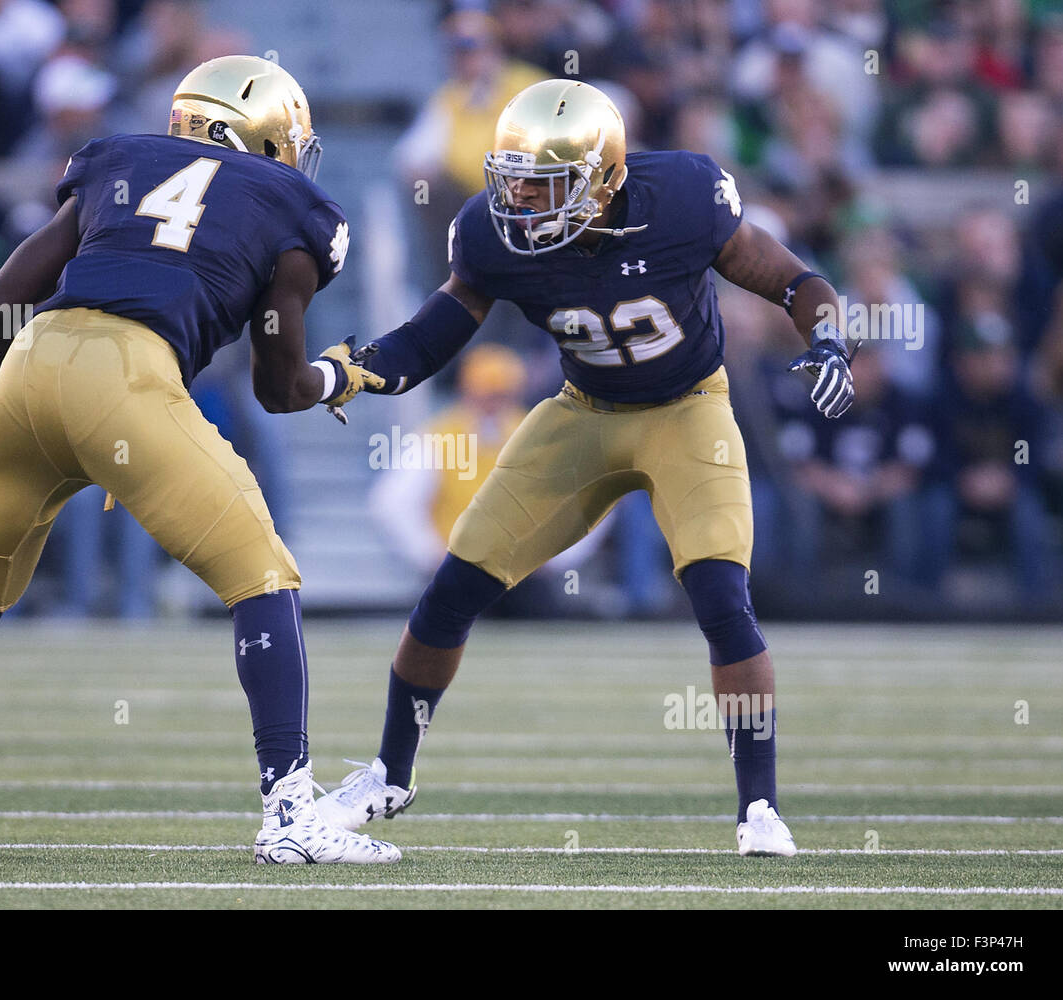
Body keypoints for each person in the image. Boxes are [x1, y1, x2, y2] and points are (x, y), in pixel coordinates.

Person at [0, 55, 398, 865]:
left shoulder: (120, 160)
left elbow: (2, 296)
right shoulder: (294, 207)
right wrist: (339, 373)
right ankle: (290, 813)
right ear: (257, 137)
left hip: (35, 365)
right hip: (130, 379)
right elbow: (279, 388)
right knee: (264, 575)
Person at [316, 79, 857, 856]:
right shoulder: (492, 234)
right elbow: (434, 334)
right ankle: (387, 775)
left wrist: (829, 339)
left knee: (720, 597)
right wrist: (353, 372)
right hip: (583, 414)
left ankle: (760, 808)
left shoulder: (683, 197)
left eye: (542, 186)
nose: (521, 204)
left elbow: (795, 282)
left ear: (602, 178)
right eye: (513, 183)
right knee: (451, 590)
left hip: (686, 409)